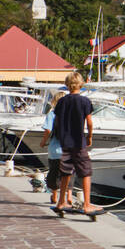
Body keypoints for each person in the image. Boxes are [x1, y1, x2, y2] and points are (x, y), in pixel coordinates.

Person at [52, 72, 102, 215]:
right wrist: (90, 137)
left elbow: (57, 121)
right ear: (81, 84)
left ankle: (61, 201)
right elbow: (90, 123)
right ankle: (87, 205)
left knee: (66, 172)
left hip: (65, 142)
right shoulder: (85, 101)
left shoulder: (62, 101)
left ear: (67, 85)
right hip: (79, 142)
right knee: (86, 172)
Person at [40, 91, 66, 204]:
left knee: (54, 174)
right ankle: (65, 197)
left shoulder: (52, 114)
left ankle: (55, 196)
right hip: (67, 150)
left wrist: (43, 141)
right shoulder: (69, 115)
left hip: (55, 150)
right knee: (66, 175)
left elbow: (48, 130)